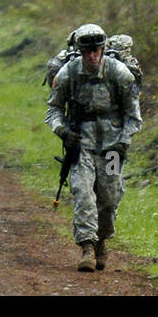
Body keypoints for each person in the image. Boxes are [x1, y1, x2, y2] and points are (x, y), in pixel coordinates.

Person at [46, 21, 142, 272]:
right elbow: (54, 109)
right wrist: (63, 131)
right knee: (83, 193)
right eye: (87, 51)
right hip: (82, 146)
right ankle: (87, 247)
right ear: (80, 51)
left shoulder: (120, 74)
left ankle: (102, 241)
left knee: (109, 199)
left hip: (112, 147)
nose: (92, 56)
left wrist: (124, 142)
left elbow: (133, 115)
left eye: (96, 50)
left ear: (102, 49)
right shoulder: (68, 74)